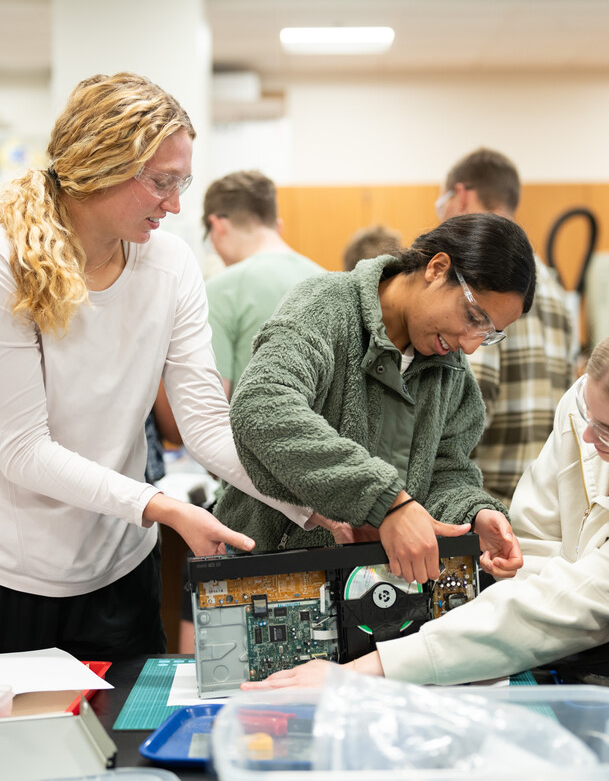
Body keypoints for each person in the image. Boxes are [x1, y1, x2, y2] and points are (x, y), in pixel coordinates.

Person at [0, 72, 320, 658]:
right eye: (161, 182)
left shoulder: (171, 264)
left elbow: (206, 424)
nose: (176, 204)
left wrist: (313, 507)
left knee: (123, 743)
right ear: (97, 165)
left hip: (116, 570)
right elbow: (22, 449)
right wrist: (160, 506)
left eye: (182, 182)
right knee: (3, 748)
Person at [244, 309, 609, 687]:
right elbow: (540, 540)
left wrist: (360, 674)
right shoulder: (602, 404)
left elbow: (557, 611)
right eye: (588, 415)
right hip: (598, 628)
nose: (589, 440)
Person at [218, 213, 533, 585]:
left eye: (489, 333)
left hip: (374, 591)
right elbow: (262, 405)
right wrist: (386, 501)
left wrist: (474, 513)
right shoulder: (326, 307)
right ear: (437, 267)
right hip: (275, 577)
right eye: (473, 317)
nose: (470, 344)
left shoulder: (452, 370)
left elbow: (445, 472)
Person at [436, 148, 575, 506]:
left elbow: (468, 403)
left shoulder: (484, 283)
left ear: (461, 195)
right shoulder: (554, 287)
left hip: (482, 502)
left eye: (443, 203)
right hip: (542, 500)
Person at [202, 170, 324, 397]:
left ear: (217, 225)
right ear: (278, 226)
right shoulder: (328, 281)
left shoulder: (219, 290)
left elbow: (211, 402)